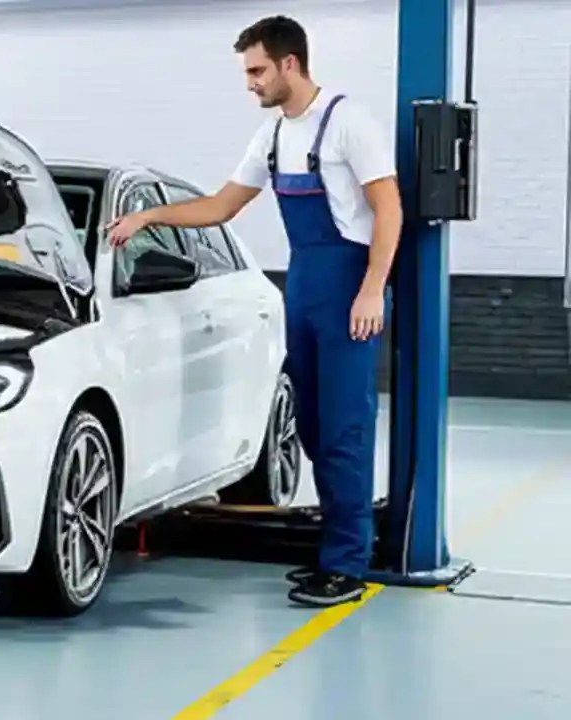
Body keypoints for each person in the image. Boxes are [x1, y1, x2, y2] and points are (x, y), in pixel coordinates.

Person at [105, 16, 402, 607]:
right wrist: (148, 218)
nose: (251, 83)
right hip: (304, 286)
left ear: (290, 63)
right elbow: (221, 206)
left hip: (348, 287)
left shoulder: (349, 123)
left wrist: (373, 288)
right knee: (313, 427)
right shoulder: (270, 138)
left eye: (257, 70)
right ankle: (332, 553)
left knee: (344, 426)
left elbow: (388, 208)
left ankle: (347, 563)